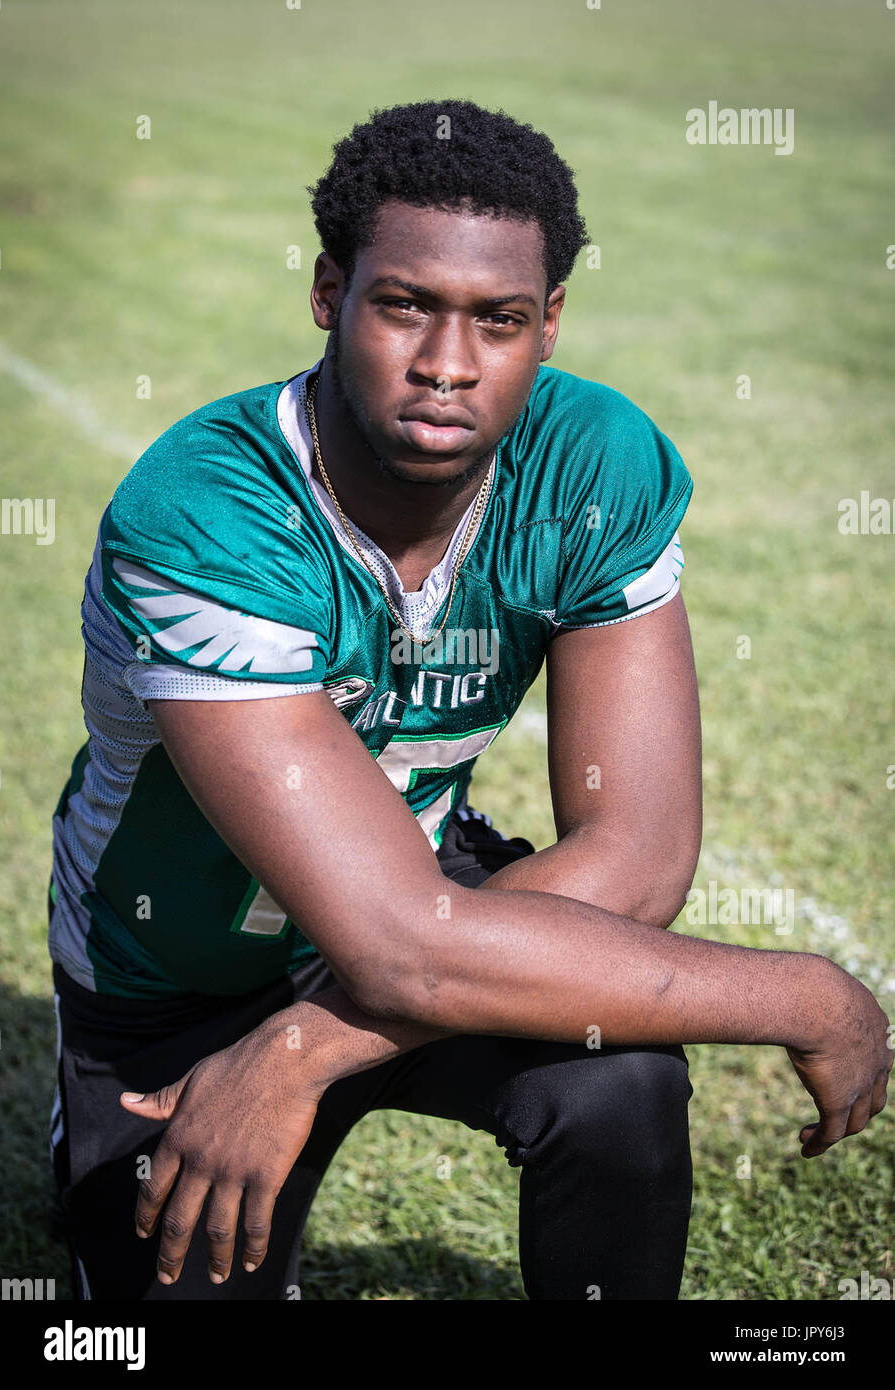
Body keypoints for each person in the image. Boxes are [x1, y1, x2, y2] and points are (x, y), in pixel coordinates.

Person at [48, 99, 891, 1302]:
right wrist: (804, 993)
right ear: (330, 291)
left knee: (619, 1079)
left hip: (430, 911)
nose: (448, 365)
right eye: (405, 305)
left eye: (498, 320)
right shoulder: (205, 514)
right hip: (173, 990)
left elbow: (637, 859)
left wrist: (300, 1045)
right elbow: (396, 947)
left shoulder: (592, 461)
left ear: (547, 322)